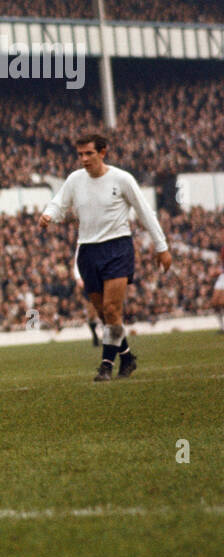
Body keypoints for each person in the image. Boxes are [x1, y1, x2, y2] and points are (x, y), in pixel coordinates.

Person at [39, 132, 171, 381]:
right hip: (88, 250)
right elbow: (59, 203)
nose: (84, 159)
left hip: (117, 248)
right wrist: (48, 215)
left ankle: (106, 365)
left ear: (102, 152)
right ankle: (128, 356)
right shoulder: (75, 179)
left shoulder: (121, 179)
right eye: (80, 154)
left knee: (112, 308)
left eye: (89, 153)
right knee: (104, 314)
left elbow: (145, 212)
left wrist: (161, 246)